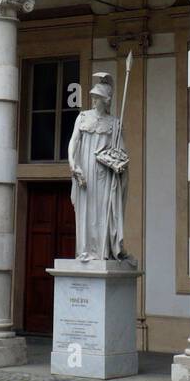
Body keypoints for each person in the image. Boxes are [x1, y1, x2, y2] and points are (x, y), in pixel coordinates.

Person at [68, 72, 131, 262]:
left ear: (106, 100)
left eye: (97, 98)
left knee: (102, 211)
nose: (94, 101)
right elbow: (73, 142)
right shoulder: (83, 117)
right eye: (93, 97)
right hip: (85, 170)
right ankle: (85, 250)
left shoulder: (114, 124)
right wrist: (73, 164)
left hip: (104, 173)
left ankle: (102, 251)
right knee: (85, 209)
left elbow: (121, 152)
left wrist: (118, 163)